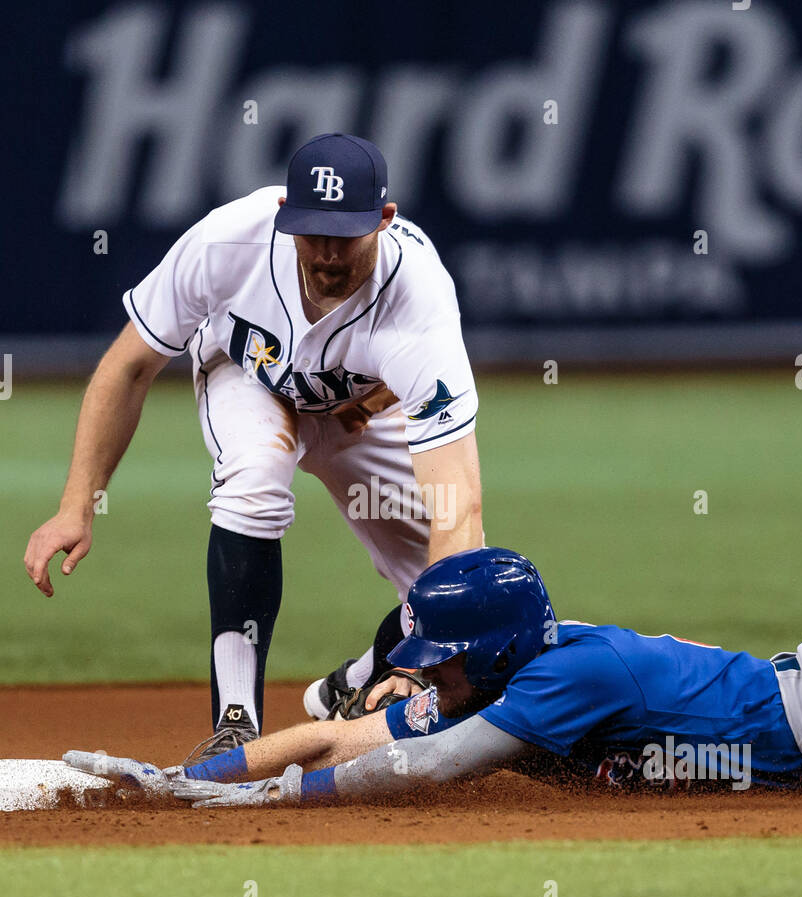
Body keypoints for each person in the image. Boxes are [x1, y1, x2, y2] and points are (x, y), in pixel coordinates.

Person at [25, 133, 484, 763]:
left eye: (344, 234)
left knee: (463, 598)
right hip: (249, 378)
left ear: (383, 220)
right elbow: (128, 367)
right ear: (284, 215)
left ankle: (354, 685)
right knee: (256, 476)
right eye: (310, 231)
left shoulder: (418, 300)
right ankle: (235, 720)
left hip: (358, 411)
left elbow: (456, 510)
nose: (325, 253)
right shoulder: (226, 244)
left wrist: (425, 657)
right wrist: (78, 503)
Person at [66, 547, 802, 803]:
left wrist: (269, 803)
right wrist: (190, 779)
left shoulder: (567, 677)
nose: (421, 681)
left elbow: (438, 769)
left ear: (489, 653)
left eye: (435, 662)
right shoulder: (505, 678)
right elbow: (342, 735)